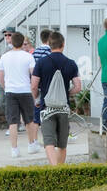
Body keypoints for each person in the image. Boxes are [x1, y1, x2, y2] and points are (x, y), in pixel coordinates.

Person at [31, 30, 81, 165]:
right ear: (63, 44)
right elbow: (78, 87)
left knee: (49, 141)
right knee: (62, 144)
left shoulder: (41, 63)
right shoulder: (70, 63)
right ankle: (60, 169)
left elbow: (34, 86)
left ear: (49, 44)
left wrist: (36, 99)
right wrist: (67, 93)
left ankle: (54, 169)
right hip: (64, 108)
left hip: (47, 108)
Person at [0, 31, 38, 157]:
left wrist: (6, 88)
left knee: (13, 121)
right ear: (22, 43)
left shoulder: (5, 57)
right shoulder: (28, 57)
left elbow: (1, 76)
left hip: (11, 91)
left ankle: (14, 149)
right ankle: (31, 144)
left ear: (12, 42)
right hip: (25, 90)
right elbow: (34, 74)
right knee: (29, 120)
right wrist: (33, 89)